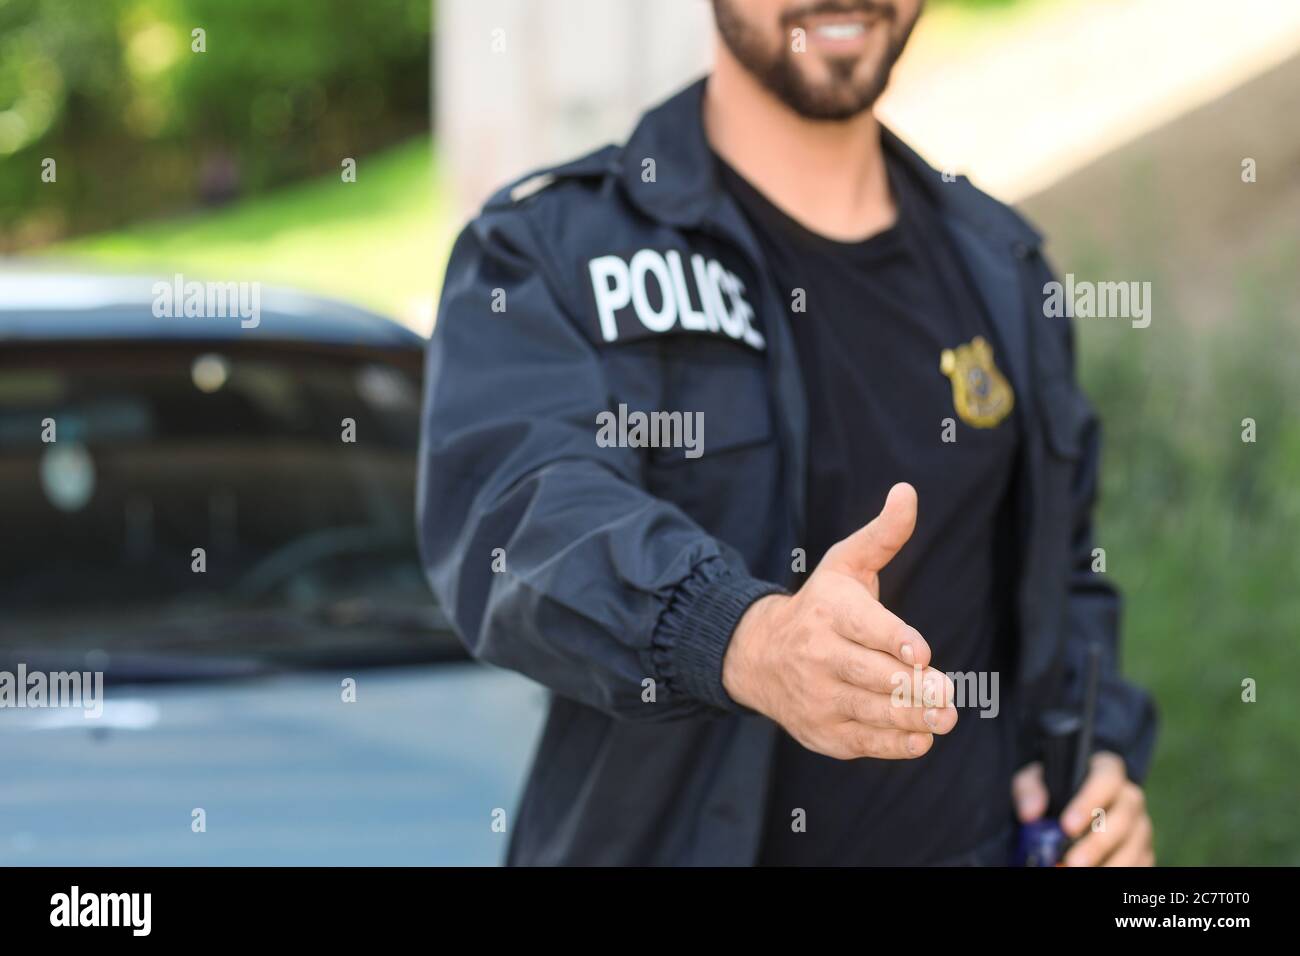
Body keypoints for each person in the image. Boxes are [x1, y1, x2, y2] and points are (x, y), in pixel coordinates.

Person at [418, 0, 1156, 865]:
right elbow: (519, 516)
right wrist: (746, 638)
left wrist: (1095, 762)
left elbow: (1064, 580)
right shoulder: (551, 252)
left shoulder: (1002, 266)